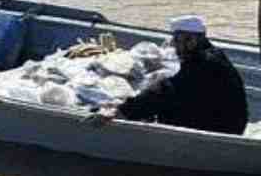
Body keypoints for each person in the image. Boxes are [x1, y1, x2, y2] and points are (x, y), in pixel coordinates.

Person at [86, 16, 249, 135]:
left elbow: (166, 90)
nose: (174, 46)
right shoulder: (213, 54)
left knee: (161, 104)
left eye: (177, 41)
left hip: (223, 128)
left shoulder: (204, 63)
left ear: (191, 40)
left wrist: (121, 110)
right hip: (231, 122)